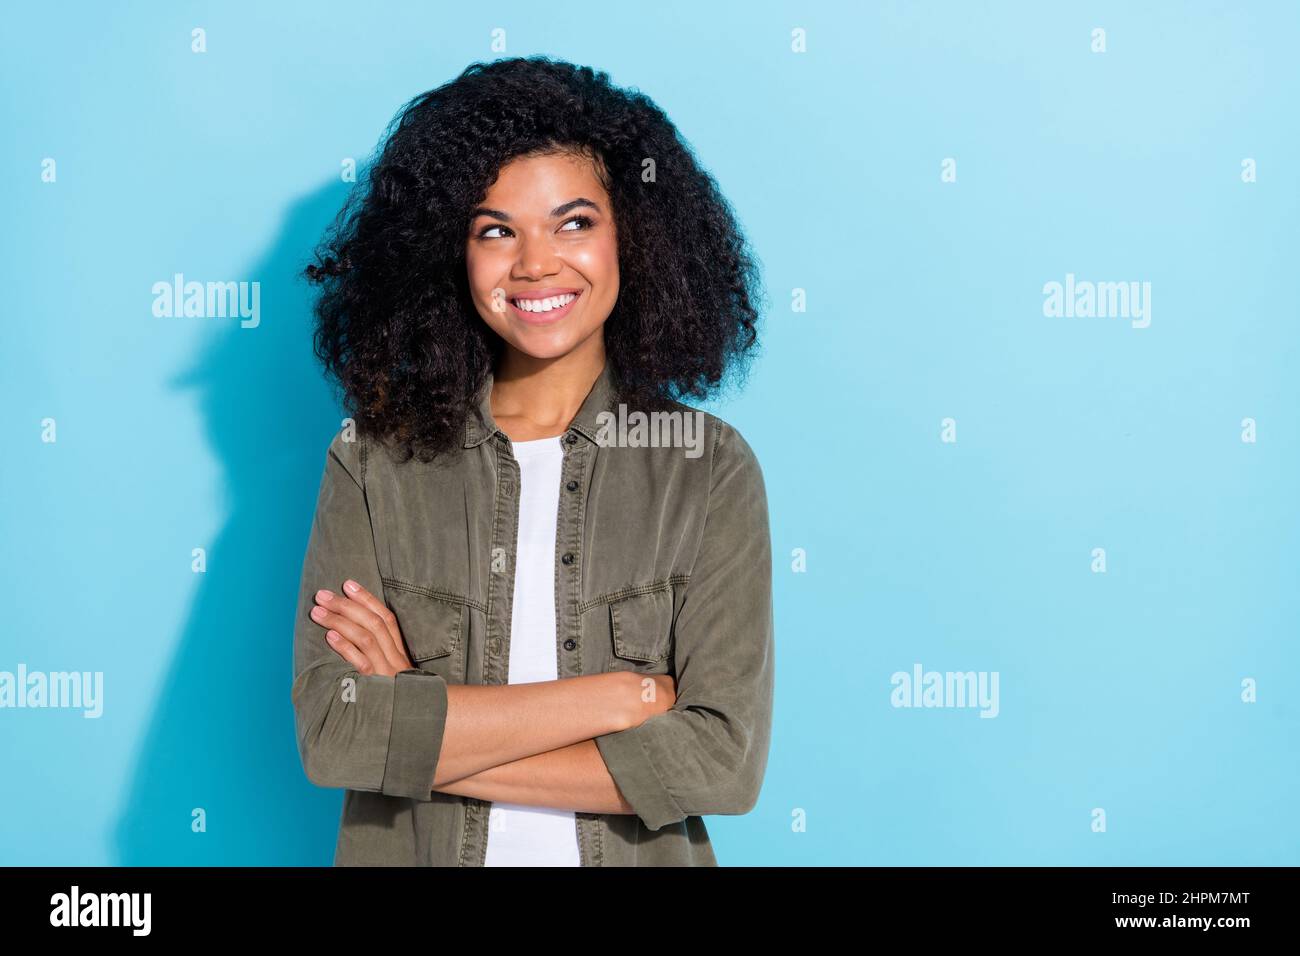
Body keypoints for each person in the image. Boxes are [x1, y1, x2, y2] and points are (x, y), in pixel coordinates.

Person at [292, 55, 774, 866]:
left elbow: (720, 764)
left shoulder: (707, 469)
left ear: (636, 238)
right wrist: (621, 699)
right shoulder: (370, 462)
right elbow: (336, 732)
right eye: (495, 230)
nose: (536, 263)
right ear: (451, 253)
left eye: (575, 222)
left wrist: (422, 724)